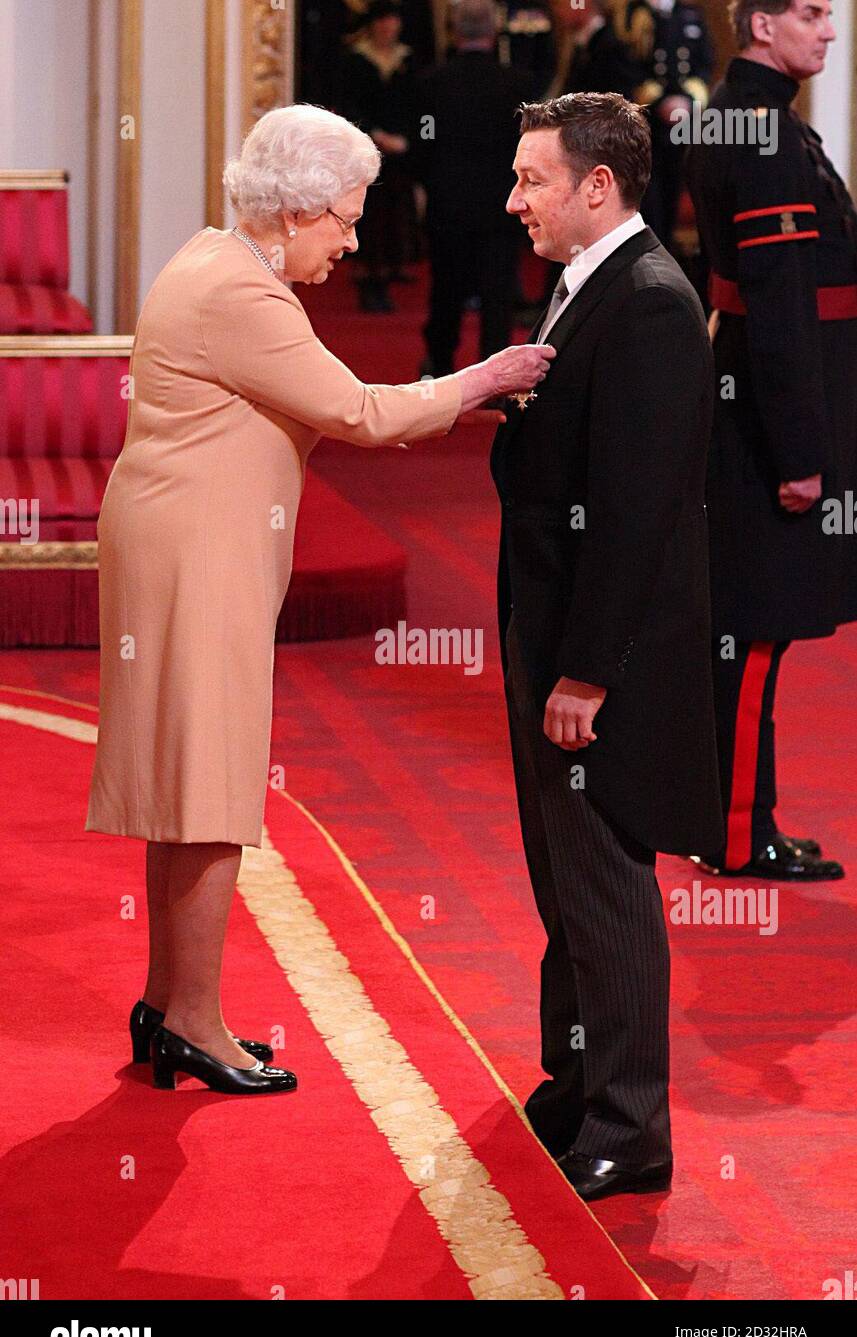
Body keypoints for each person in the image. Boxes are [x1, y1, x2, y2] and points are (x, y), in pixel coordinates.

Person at [84, 103, 554, 1096]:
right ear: (291, 212)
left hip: (180, 539)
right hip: (195, 551)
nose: (349, 240)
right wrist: (485, 376)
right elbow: (361, 415)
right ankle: (197, 1020)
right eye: (340, 218)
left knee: (184, 776)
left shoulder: (219, 262)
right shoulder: (241, 296)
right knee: (208, 781)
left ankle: (168, 1004)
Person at [491, 91, 721, 1199]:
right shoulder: (588, 287)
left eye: (531, 179)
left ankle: (630, 1127)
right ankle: (577, 1083)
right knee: (560, 874)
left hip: (597, 652)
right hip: (549, 621)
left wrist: (584, 671)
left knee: (603, 882)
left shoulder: (646, 303)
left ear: (596, 185)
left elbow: (633, 516)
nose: (512, 198)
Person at [686, 0, 856, 881]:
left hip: (749, 397)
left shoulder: (746, 120)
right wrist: (803, 455)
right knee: (755, 633)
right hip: (770, 417)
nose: (827, 31)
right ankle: (736, 831)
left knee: (755, 634)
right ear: (758, 25)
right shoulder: (761, 136)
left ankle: (745, 819)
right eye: (810, 14)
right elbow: (783, 306)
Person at [415, 0, 538, 376]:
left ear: (454, 31)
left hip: (447, 204)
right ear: (494, 31)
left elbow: (422, 141)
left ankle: (437, 367)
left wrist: (429, 185)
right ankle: (495, 378)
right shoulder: (519, 85)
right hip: (501, 205)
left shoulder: (430, 84)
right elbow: (528, 148)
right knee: (497, 295)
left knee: (446, 293)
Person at [336, 1, 418, 312]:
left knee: (398, 209)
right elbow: (346, 107)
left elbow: (423, 111)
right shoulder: (355, 61)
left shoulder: (409, 60)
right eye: (382, 20)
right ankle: (371, 277)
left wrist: (416, 138)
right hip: (364, 149)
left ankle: (396, 262)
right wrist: (373, 134)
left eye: (393, 19)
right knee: (371, 213)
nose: (388, 26)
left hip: (401, 149)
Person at [634, 0, 714, 251]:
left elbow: (704, 64)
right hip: (645, 123)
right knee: (648, 201)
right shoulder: (634, 15)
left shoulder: (690, 15)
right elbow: (628, 67)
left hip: (683, 124)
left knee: (676, 195)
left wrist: (688, 100)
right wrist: (658, 102)